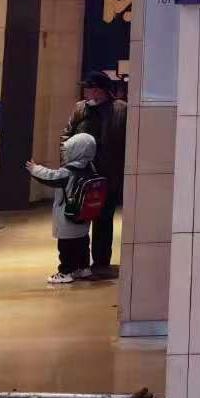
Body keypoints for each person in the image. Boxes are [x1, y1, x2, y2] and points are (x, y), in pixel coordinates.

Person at [62, 71, 126, 277]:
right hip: (81, 174)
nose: (86, 92)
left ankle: (100, 262)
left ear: (100, 90)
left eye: (89, 88)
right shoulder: (80, 108)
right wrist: (67, 164)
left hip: (108, 175)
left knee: (104, 220)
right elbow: (66, 136)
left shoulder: (121, 110)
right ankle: (80, 264)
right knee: (78, 220)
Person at [26, 133, 98, 285]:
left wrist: (35, 169)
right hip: (84, 215)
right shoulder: (90, 168)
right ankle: (83, 268)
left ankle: (65, 272)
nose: (65, 153)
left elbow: (51, 177)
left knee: (65, 247)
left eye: (68, 150)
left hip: (68, 216)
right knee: (83, 243)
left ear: (76, 151)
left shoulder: (68, 172)